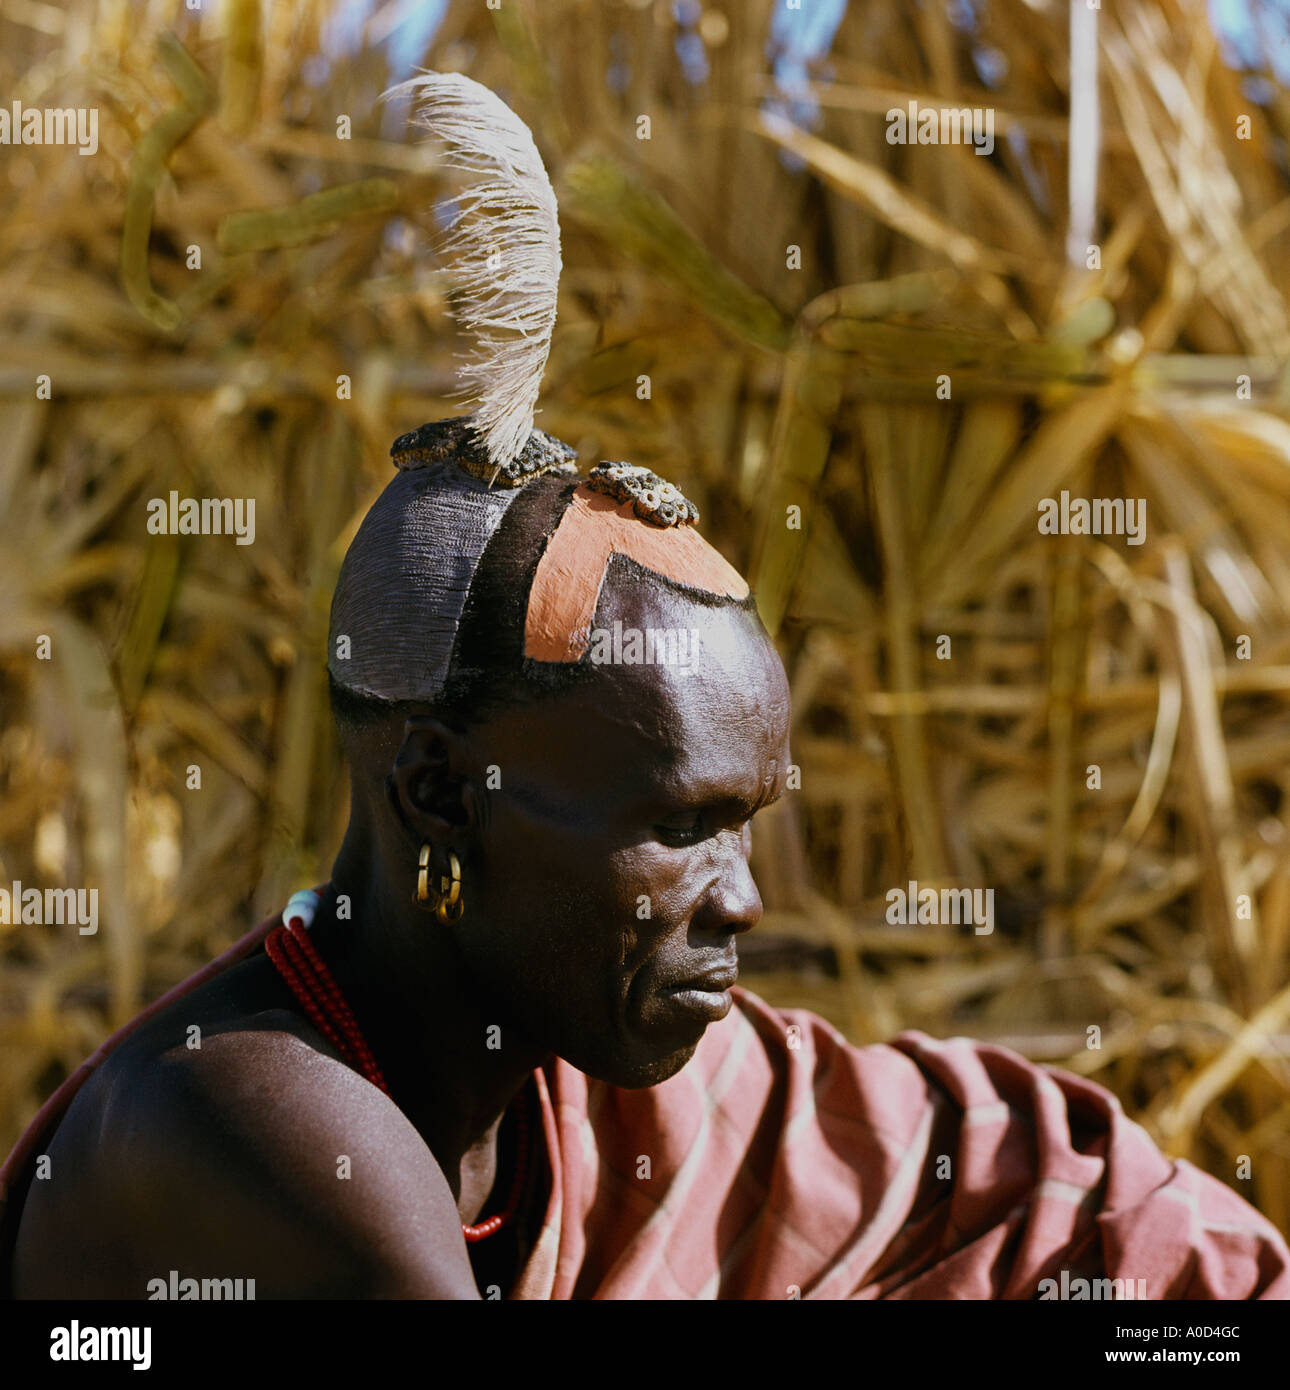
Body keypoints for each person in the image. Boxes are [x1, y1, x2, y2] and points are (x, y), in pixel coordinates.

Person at [3, 72, 1287, 1301]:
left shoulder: (599, 1086)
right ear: (444, 794)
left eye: (743, 824)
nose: (747, 901)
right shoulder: (255, 1121)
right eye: (682, 826)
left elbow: (1041, 1194)